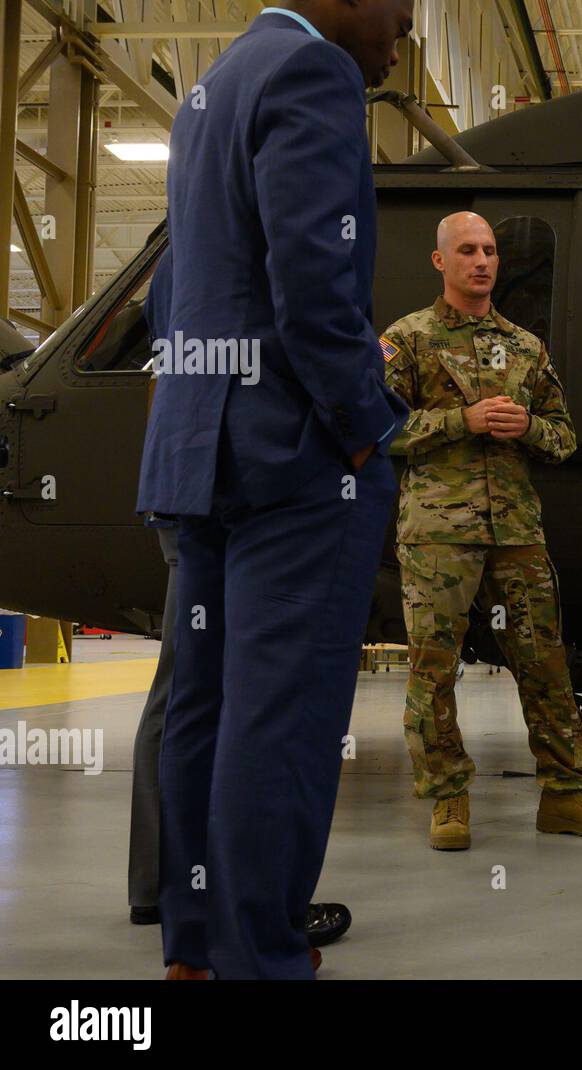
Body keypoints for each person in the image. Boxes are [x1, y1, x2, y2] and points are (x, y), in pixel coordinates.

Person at [135, 0, 412, 978]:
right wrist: (369, 427)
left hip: (196, 450)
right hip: (291, 459)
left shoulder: (208, 92)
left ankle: (197, 945)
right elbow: (312, 280)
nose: (404, 34)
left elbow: (178, 284)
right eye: (402, 10)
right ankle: (261, 955)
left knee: (203, 709)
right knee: (280, 719)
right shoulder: (313, 72)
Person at [380, 211, 582, 849]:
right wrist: (462, 420)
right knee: (433, 671)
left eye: (489, 250)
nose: (482, 261)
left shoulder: (525, 346)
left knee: (544, 664)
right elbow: (378, 432)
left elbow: (565, 435)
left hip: (516, 529)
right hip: (439, 532)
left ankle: (566, 796)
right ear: (441, 261)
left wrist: (530, 430)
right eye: (467, 250)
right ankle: (448, 801)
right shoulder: (406, 340)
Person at [128, 249, 351, 956]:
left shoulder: (182, 256)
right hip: (232, 470)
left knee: (192, 690)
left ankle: (179, 894)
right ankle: (220, 899)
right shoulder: (257, 236)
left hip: (187, 466)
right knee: (223, 694)